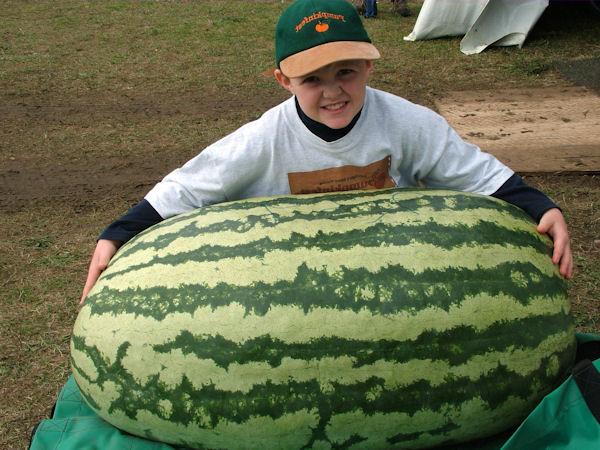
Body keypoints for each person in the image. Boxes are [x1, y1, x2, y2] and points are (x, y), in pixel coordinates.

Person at [80, 0, 573, 303]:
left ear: (367, 66)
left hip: (398, 270)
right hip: (290, 283)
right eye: (312, 79)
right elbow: (190, 187)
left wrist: (539, 206)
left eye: (345, 72)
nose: (332, 91)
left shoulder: (406, 121)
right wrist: (119, 234)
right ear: (283, 81)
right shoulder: (263, 140)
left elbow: (471, 170)